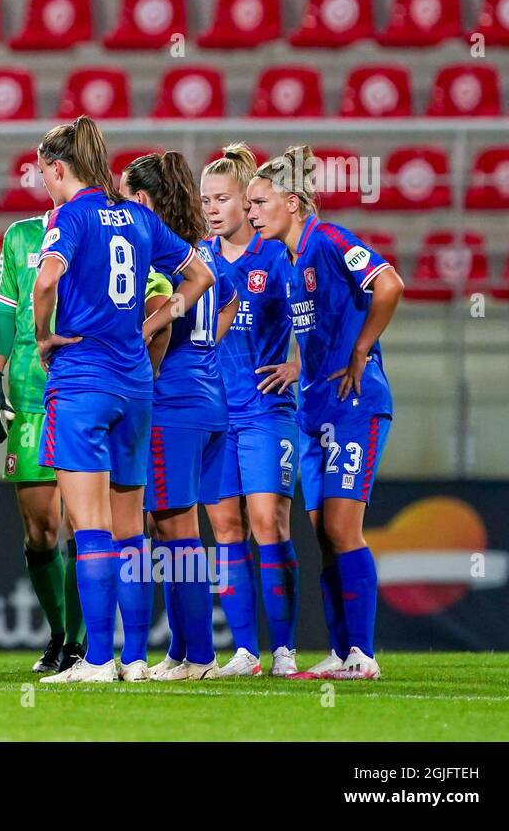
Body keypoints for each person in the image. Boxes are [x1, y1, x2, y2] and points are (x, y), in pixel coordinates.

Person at [30, 118, 214, 685]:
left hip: (83, 383)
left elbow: (44, 282)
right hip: (136, 388)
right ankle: (134, 658)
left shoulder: (72, 216)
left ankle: (98, 660)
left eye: (43, 175)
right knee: (131, 530)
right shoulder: (137, 217)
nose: (44, 186)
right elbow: (200, 275)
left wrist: (42, 338)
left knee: (89, 529)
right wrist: (160, 317)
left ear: (59, 169)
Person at [0, 206, 174, 675]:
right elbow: (6, 312)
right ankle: (60, 632)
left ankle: (83, 644)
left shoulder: (99, 228)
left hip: (83, 388)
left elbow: (163, 293)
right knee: (41, 531)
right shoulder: (21, 233)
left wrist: (148, 347)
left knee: (82, 526)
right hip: (30, 395)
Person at [247, 146, 404, 681]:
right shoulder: (292, 264)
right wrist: (299, 364)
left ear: (291, 203)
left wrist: (362, 350)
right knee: (324, 534)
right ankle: (341, 653)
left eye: (259, 202)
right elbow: (317, 329)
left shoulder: (332, 239)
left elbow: (390, 285)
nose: (251, 213)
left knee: (342, 527)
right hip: (314, 410)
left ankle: (362, 654)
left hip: (354, 403)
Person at [122, 152, 239, 682]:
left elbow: (153, 323)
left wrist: (147, 343)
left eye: (127, 197)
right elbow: (228, 292)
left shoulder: (155, 259)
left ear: (144, 201)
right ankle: (181, 650)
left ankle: (200, 657)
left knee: (177, 531)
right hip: (210, 400)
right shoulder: (195, 252)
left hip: (173, 406)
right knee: (174, 530)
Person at [199, 144, 301, 678]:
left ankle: (283, 649)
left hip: (265, 410)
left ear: (247, 201)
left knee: (268, 523)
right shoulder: (199, 257)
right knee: (225, 529)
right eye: (205, 201)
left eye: (222, 199)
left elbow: (318, 310)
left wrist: (298, 363)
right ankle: (245, 651)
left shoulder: (276, 254)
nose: (212, 209)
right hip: (214, 416)